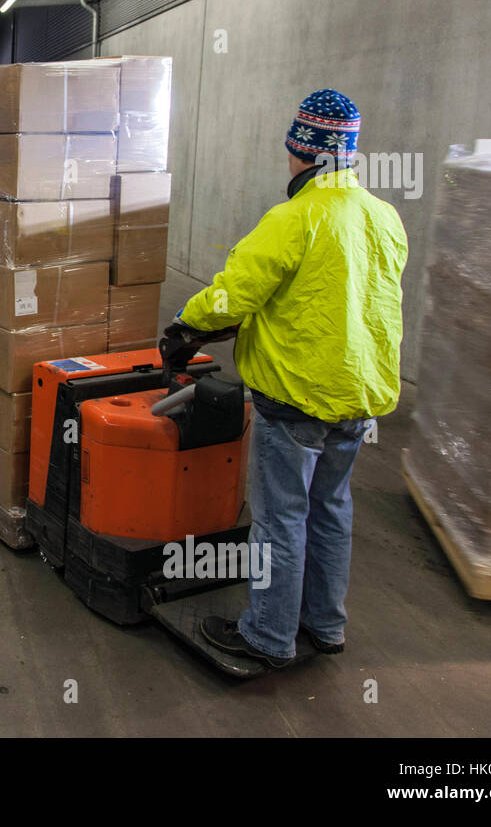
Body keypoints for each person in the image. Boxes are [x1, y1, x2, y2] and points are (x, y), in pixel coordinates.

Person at [166, 89, 408, 668]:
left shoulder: (295, 219)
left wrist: (188, 325)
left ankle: (269, 636)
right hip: (357, 397)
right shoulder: (383, 216)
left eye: (292, 151)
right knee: (331, 509)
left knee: (280, 518)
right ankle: (325, 624)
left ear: (304, 153)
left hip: (295, 397)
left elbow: (234, 293)